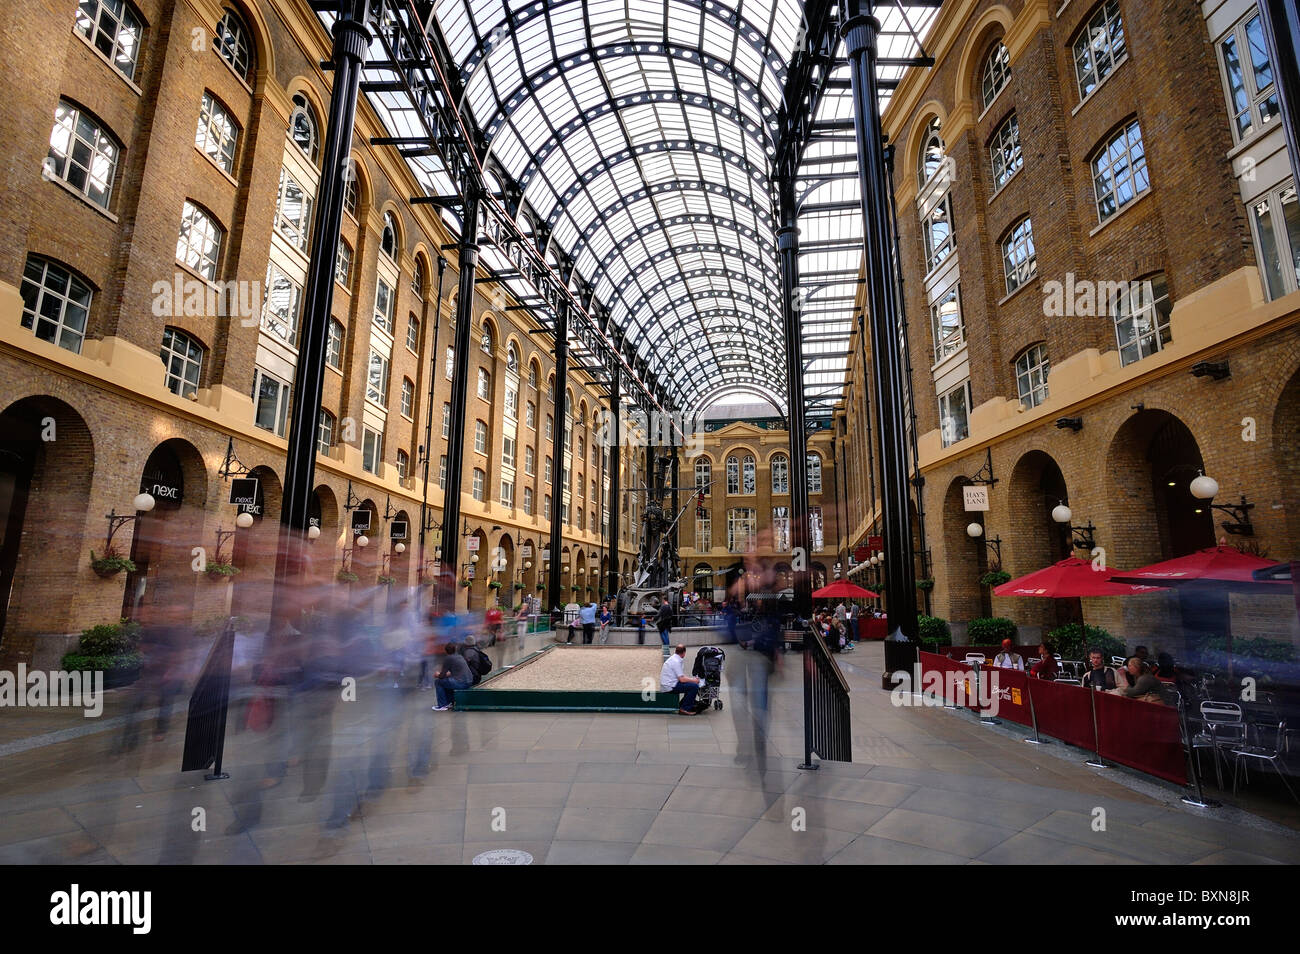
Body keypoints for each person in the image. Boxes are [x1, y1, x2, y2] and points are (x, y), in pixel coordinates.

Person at [660, 644, 702, 715]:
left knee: (690, 685)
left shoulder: (673, 658)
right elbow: (682, 679)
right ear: (684, 653)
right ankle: (684, 708)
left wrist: (691, 680)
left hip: (668, 683)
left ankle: (683, 704)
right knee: (694, 687)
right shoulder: (676, 661)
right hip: (669, 686)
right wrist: (694, 680)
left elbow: (680, 677)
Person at [432, 641, 474, 710]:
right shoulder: (459, 656)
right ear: (455, 649)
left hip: (462, 683)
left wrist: (437, 674)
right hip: (469, 681)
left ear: (446, 651)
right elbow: (458, 671)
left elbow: (442, 676)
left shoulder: (448, 658)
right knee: (446, 682)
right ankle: (449, 702)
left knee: (438, 682)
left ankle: (442, 705)